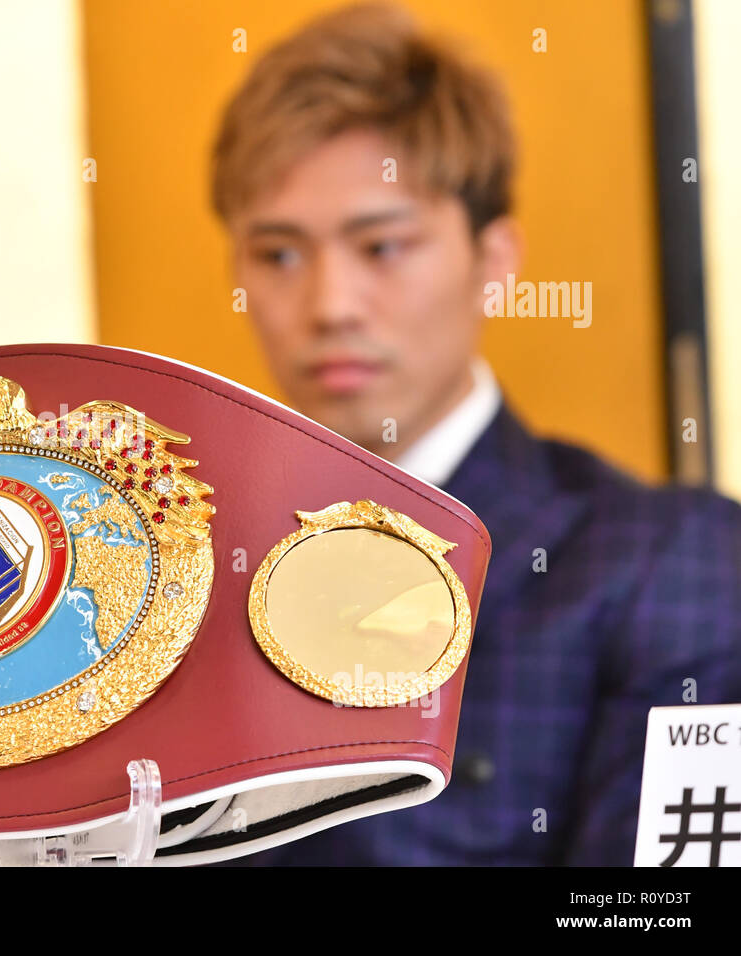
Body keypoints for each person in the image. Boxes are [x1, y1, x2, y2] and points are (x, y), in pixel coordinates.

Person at [209, 3, 741, 864]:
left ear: (495, 262)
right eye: (279, 255)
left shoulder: (667, 561)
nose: (330, 305)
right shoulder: (193, 567)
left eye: (382, 247)